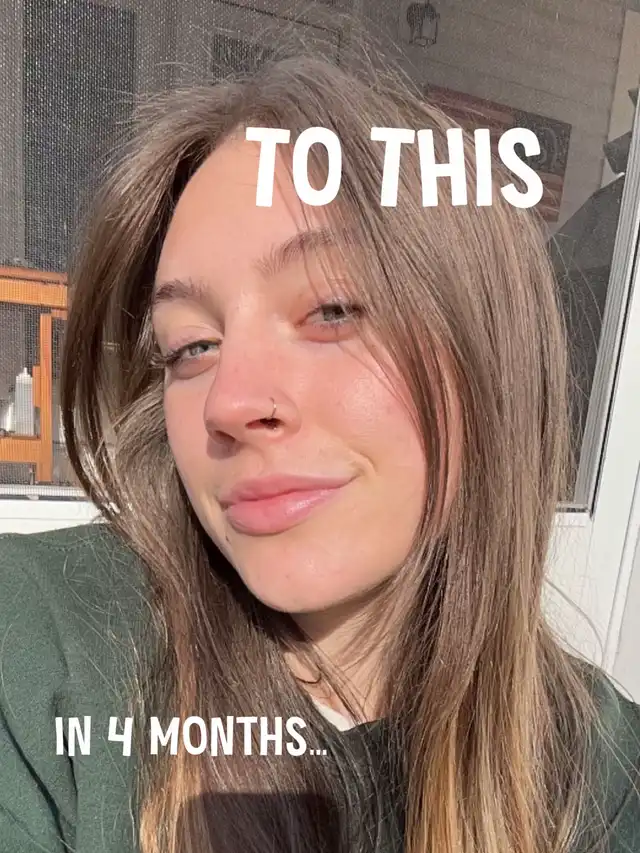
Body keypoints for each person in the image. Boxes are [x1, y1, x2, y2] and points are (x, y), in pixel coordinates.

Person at [0, 54, 638, 853]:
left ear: (489, 356)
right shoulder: (37, 649)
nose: (229, 402)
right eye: (190, 346)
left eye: (332, 309)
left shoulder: (604, 771)